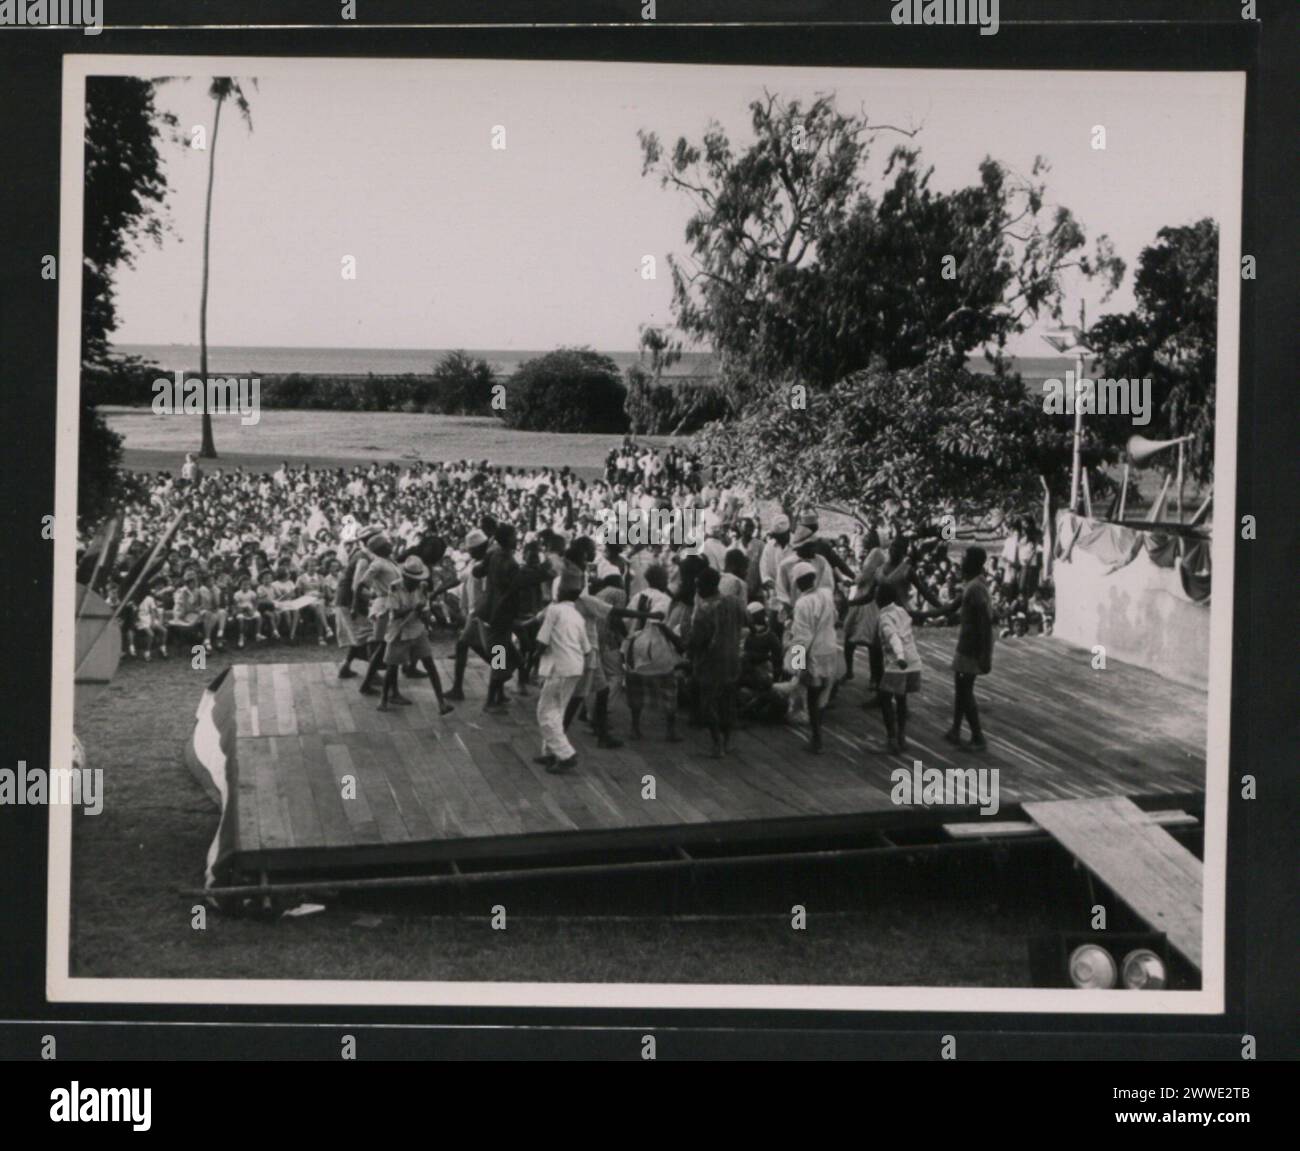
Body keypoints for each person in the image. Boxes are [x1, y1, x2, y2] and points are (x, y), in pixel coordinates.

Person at [378, 556, 454, 715]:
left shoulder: (423, 587)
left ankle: (441, 702)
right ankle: (384, 699)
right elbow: (396, 612)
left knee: (430, 664)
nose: (415, 582)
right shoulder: (395, 587)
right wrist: (414, 609)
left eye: (417, 579)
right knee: (392, 666)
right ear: (404, 576)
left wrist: (427, 616)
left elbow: (425, 609)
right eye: (412, 579)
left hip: (417, 629)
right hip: (399, 631)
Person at [533, 567, 591, 774]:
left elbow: (541, 640)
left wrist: (531, 662)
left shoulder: (554, 610)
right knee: (558, 711)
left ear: (560, 592)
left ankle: (566, 754)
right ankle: (550, 752)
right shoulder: (577, 615)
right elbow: (586, 648)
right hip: (575, 667)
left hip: (559, 668)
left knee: (545, 712)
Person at [689, 565, 748, 757]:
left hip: (711, 662)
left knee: (707, 704)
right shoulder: (734, 602)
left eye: (699, 586)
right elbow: (748, 621)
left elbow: (697, 641)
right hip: (732, 658)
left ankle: (717, 743)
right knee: (727, 702)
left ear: (707, 586)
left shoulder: (704, 610)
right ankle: (728, 741)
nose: (697, 591)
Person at [785, 561, 841, 753]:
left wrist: (796, 665)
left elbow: (802, 637)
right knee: (824, 692)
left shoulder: (802, 604)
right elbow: (835, 616)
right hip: (830, 646)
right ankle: (818, 733)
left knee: (813, 693)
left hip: (814, 652)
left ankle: (816, 738)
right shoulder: (826, 594)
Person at [946, 546, 994, 752]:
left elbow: (985, 622)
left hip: (972, 647)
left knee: (965, 691)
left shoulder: (975, 588)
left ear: (974, 563)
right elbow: (950, 607)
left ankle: (978, 737)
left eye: (964, 558)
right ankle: (956, 729)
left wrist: (985, 654)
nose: (961, 561)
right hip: (966, 644)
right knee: (961, 687)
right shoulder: (973, 584)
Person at [876, 583, 923, 753]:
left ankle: (892, 739)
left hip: (899, 661)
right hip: (913, 659)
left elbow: (893, 637)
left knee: (884, 697)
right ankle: (901, 736)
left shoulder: (885, 618)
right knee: (901, 698)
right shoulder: (901, 611)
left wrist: (900, 656)